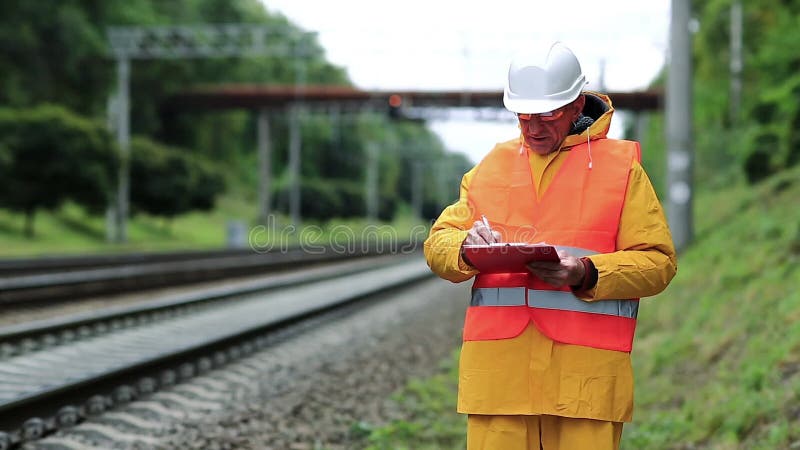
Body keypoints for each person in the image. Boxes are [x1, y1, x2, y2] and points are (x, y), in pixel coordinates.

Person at [423, 42, 677, 450]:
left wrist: (586, 272)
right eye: (523, 116)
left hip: (584, 386)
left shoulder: (620, 170)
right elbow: (438, 242)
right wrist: (466, 249)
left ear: (576, 106)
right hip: (500, 383)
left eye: (547, 116)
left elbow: (659, 263)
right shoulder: (491, 167)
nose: (533, 128)